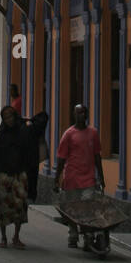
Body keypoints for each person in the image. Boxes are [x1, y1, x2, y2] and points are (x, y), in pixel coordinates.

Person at [0, 106, 34, 250]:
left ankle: (16, 236)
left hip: (19, 174)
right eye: (5, 117)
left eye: (11, 116)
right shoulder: (2, 134)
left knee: (19, 206)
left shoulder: (23, 132)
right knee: (2, 207)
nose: (9, 120)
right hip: (3, 175)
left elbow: (29, 152)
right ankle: (3, 237)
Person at [54, 104, 105, 249]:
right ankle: (73, 233)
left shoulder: (93, 133)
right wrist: (57, 178)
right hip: (71, 178)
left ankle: (88, 236)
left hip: (88, 178)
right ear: (73, 115)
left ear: (87, 114)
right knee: (72, 208)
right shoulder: (68, 134)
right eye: (78, 113)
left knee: (87, 207)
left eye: (83, 112)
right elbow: (61, 158)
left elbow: (97, 156)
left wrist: (101, 178)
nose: (81, 115)